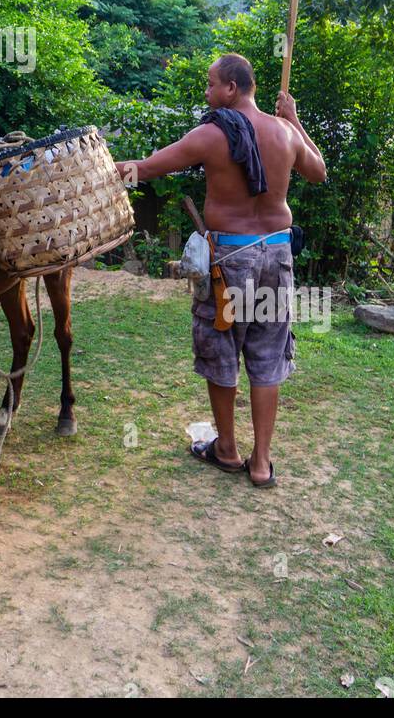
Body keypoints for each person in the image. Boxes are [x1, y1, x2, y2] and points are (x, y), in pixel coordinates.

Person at [116, 54, 326, 488]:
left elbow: (149, 168)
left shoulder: (211, 135)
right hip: (278, 254)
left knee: (221, 348)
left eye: (211, 85)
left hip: (231, 259)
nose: (207, 93)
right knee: (267, 355)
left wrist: (101, 170)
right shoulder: (284, 132)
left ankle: (227, 450)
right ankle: (262, 463)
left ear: (231, 88)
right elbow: (317, 171)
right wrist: (295, 121)